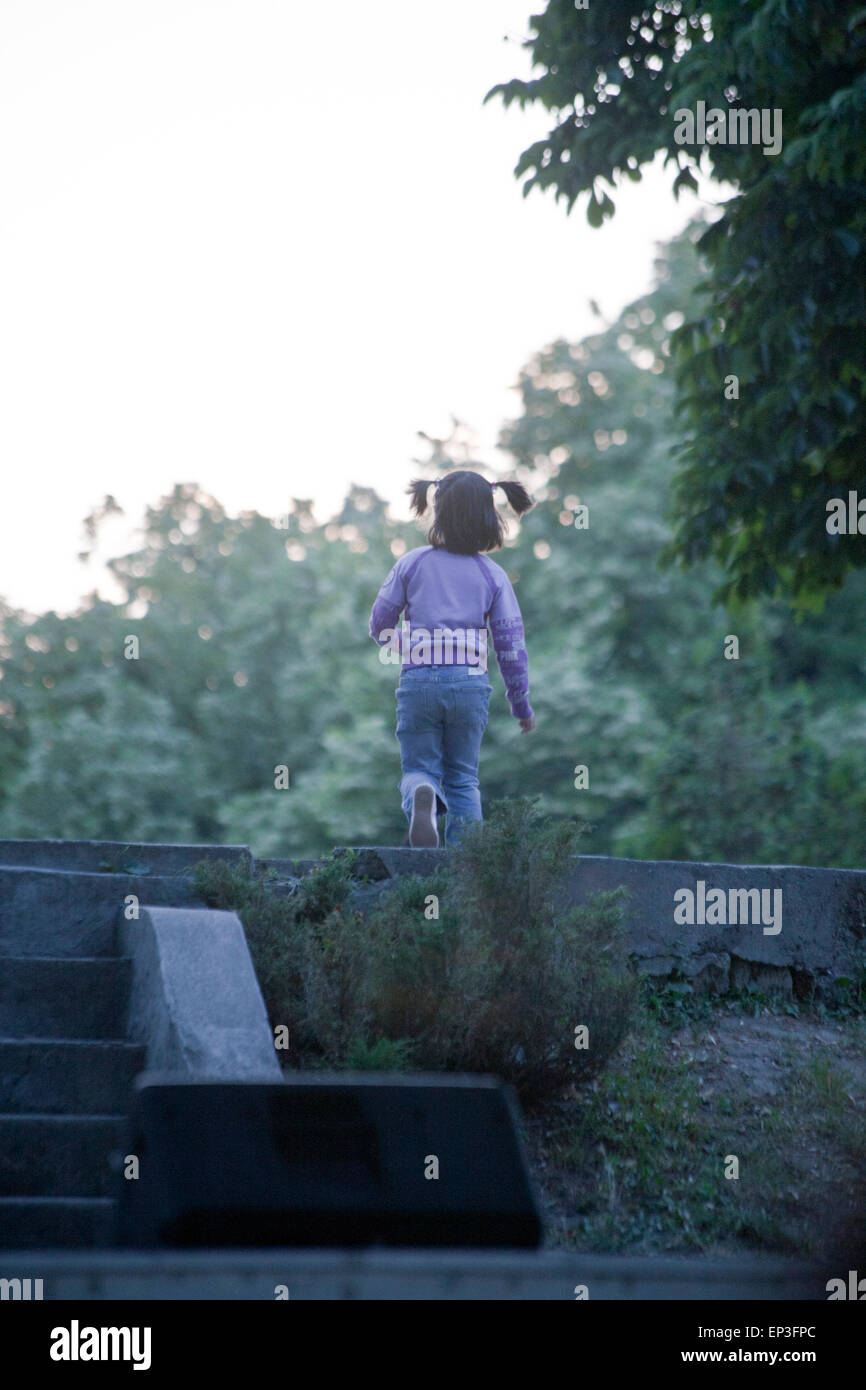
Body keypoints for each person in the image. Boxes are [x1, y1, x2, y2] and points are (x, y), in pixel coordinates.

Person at [369, 470, 536, 848]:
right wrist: (521, 705)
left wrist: (404, 646)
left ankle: (424, 793)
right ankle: (467, 865)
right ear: (489, 517)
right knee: (463, 778)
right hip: (469, 684)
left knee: (418, 768)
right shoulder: (492, 576)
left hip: (419, 682)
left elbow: (379, 624)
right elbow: (510, 647)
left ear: (438, 511)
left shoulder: (411, 564)